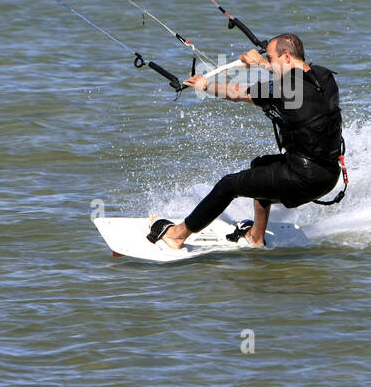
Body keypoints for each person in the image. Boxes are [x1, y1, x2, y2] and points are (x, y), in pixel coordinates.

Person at [147, 34, 344, 250]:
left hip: (303, 179)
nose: (268, 62)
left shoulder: (283, 90)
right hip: (328, 175)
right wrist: (263, 64)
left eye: (270, 57)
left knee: (228, 185)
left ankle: (176, 235)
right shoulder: (323, 77)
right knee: (260, 167)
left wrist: (205, 85)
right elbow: (292, 79)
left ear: (286, 55)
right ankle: (256, 236)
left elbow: (238, 93)